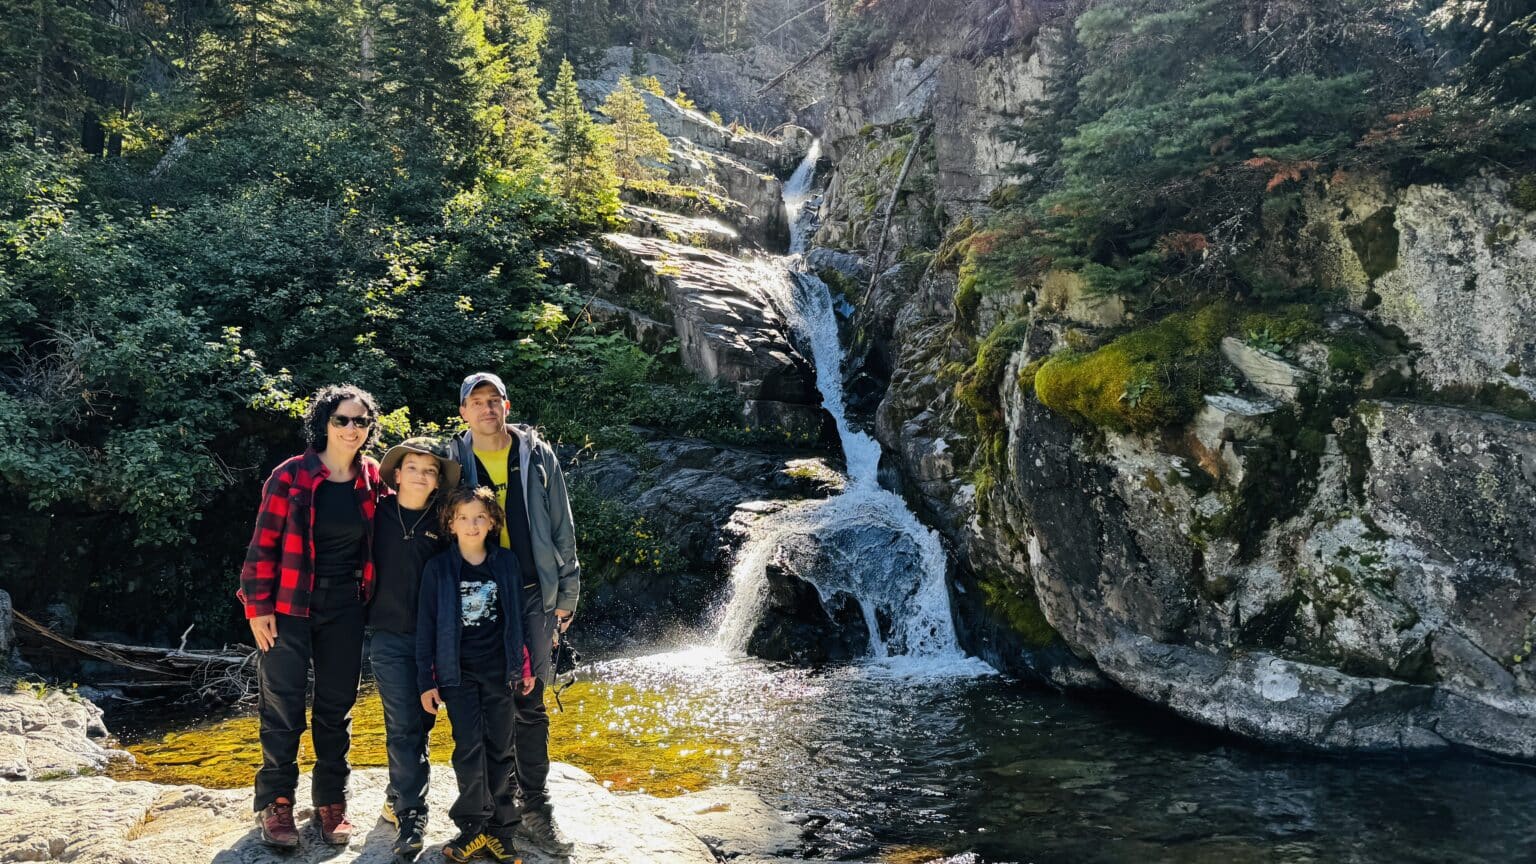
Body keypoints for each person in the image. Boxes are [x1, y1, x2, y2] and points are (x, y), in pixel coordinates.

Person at [238, 384, 383, 848]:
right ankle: (277, 803)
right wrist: (257, 607)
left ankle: (331, 802)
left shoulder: (372, 477)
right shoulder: (291, 475)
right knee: (282, 707)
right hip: (288, 607)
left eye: (361, 421)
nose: (351, 429)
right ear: (325, 422)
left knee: (336, 707)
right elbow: (263, 544)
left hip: (346, 607)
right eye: (342, 419)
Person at [450, 371, 579, 854]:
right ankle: (493, 809)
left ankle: (535, 806)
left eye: (494, 400)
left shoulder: (536, 455)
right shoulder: (453, 459)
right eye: (477, 401)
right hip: (476, 595)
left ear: (506, 406)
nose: (486, 408)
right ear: (463, 412)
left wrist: (568, 590)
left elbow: (562, 524)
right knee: (485, 700)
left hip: (530, 592)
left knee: (530, 699)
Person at [416, 487, 535, 863]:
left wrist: (524, 666)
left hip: (500, 672)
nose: (472, 524)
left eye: (480, 517)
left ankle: (502, 830)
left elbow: (517, 619)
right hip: (457, 674)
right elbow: (426, 628)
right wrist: (426, 681)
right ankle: (472, 827)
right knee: (468, 748)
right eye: (464, 518)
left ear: (492, 522)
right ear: (450, 524)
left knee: (501, 748)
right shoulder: (438, 568)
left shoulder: (506, 562)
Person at [368, 436, 458, 860]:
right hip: (388, 637)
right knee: (403, 724)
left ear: (438, 480)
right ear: (397, 474)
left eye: (430, 470)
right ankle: (411, 816)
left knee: (423, 722)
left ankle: (398, 791)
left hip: (436, 639)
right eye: (413, 467)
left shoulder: (446, 522)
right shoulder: (374, 514)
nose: (421, 476)